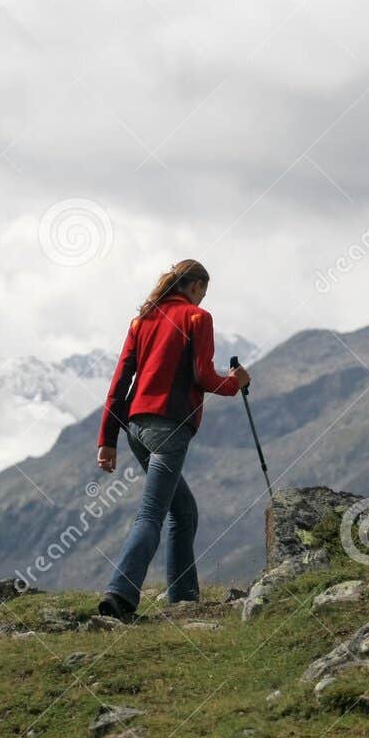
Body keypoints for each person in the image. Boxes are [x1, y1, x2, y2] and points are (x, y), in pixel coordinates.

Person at [95, 259, 250, 617]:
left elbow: (120, 382)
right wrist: (236, 383)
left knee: (183, 511)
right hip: (170, 428)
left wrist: (108, 439)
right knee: (152, 513)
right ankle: (119, 594)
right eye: (203, 293)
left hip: (135, 428)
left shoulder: (142, 320)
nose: (201, 300)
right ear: (194, 286)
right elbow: (203, 376)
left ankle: (183, 599)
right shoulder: (198, 318)